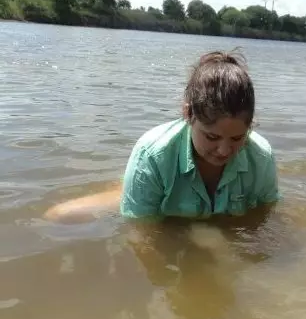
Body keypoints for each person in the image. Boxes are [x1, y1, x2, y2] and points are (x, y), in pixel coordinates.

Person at [44, 49, 281, 224]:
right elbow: (142, 233)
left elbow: (264, 216)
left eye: (237, 138)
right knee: (57, 217)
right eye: (211, 137)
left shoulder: (260, 156)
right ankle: (123, 187)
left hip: (213, 218)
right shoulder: (153, 154)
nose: (224, 150)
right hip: (162, 207)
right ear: (188, 114)